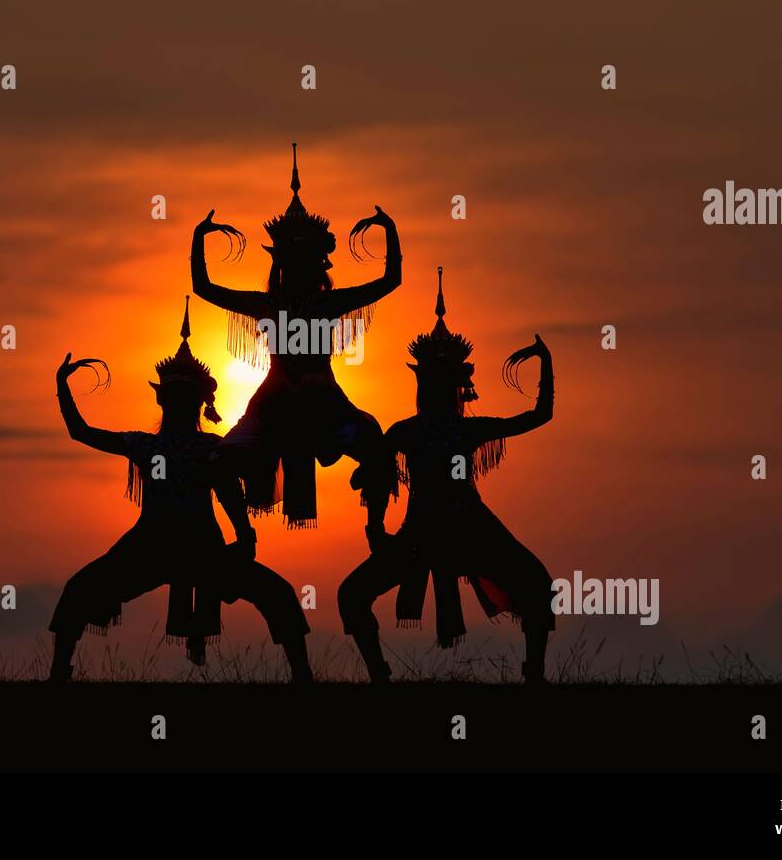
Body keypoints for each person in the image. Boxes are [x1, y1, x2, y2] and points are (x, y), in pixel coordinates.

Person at [47, 298, 313, 683]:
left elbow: (227, 494)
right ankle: (58, 674)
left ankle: (303, 676)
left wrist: (245, 533)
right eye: (175, 400)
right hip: (166, 546)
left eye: (182, 400)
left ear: (193, 402)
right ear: (164, 400)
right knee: (79, 590)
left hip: (182, 547)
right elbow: (82, 433)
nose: (177, 407)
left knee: (280, 595)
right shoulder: (186, 447)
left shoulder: (202, 449)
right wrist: (63, 390)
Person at [337, 268, 556, 684]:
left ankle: (534, 678)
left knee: (538, 585)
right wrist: (375, 527)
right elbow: (379, 477)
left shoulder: (415, 431)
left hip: (449, 528)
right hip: (441, 530)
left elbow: (539, 416)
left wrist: (375, 528)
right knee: (537, 584)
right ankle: (382, 678)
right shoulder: (418, 431)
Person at [190, 143, 401, 530]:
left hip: (326, 403)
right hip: (273, 405)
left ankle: (375, 527)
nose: (297, 268)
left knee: (378, 446)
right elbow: (203, 288)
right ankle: (243, 534)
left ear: (317, 263)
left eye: (305, 260)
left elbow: (392, 281)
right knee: (219, 463)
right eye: (291, 260)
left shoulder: (325, 303)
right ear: (281, 263)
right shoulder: (269, 305)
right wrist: (198, 238)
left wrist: (390, 231)